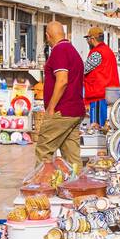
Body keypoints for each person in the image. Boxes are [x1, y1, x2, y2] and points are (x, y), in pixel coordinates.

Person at [36, 20, 85, 167]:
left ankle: (42, 187)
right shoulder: (72, 50)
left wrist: (51, 108)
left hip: (62, 110)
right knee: (72, 157)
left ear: (47, 36)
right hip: (74, 110)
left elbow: (62, 80)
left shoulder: (59, 50)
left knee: (44, 151)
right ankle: (76, 187)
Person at [82, 27, 118, 125]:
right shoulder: (108, 50)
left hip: (98, 94)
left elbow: (83, 70)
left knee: (97, 126)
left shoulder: (97, 53)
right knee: (106, 125)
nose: (87, 41)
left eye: (88, 39)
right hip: (109, 93)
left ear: (92, 39)